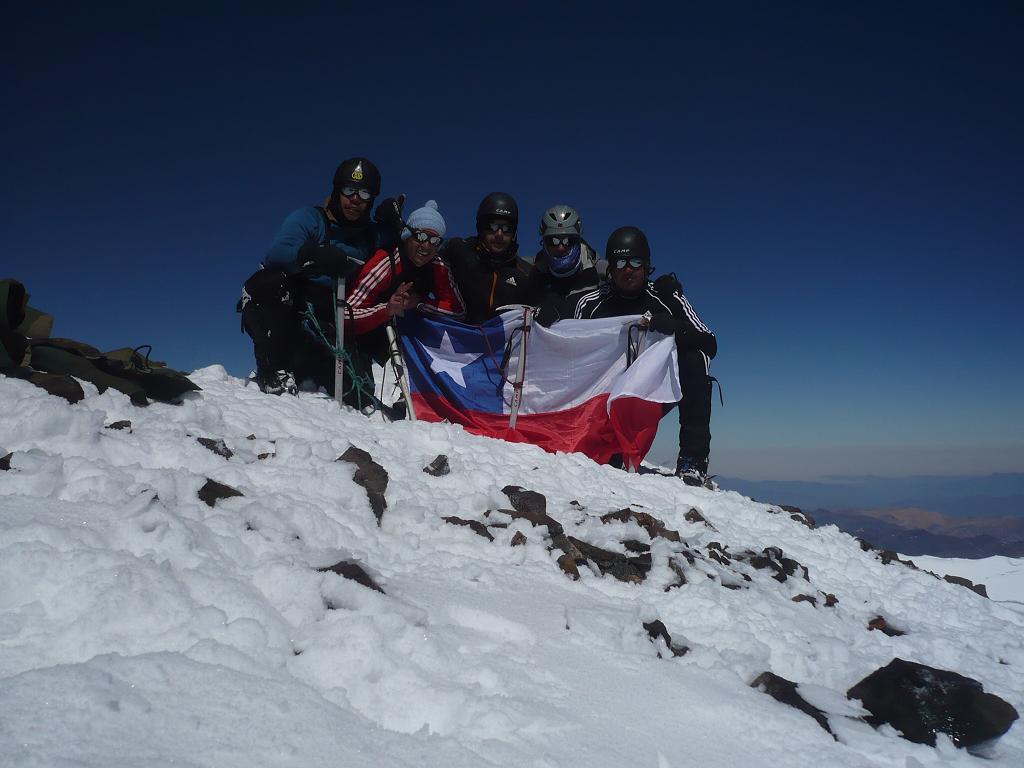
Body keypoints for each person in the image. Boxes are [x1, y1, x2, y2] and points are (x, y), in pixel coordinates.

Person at [240, 157, 404, 395]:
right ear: (337, 190)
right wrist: (312, 254)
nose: (355, 199)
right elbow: (276, 254)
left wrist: (395, 223)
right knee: (268, 283)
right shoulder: (311, 219)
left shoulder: (370, 235)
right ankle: (274, 370)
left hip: (334, 321)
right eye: (349, 190)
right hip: (296, 313)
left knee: (356, 394)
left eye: (365, 193)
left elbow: (406, 242)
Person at [573, 226, 717, 486]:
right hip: (604, 398)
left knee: (694, 358)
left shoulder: (666, 298)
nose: (628, 269)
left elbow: (709, 342)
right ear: (610, 267)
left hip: (649, 393)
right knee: (608, 461)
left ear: (647, 265)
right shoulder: (591, 303)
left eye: (635, 262)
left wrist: (676, 329)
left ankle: (693, 461)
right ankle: (612, 445)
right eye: (620, 262)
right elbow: (565, 343)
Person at [441, 192, 538, 325]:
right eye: (492, 226)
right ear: (480, 227)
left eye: (507, 228)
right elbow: (425, 256)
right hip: (456, 335)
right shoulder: (459, 252)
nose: (499, 234)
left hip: (506, 338)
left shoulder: (525, 273)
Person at [531, 203, 605, 326]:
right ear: (543, 243)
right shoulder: (530, 273)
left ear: (578, 240)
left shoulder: (602, 273)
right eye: (553, 241)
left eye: (568, 241)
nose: (560, 247)